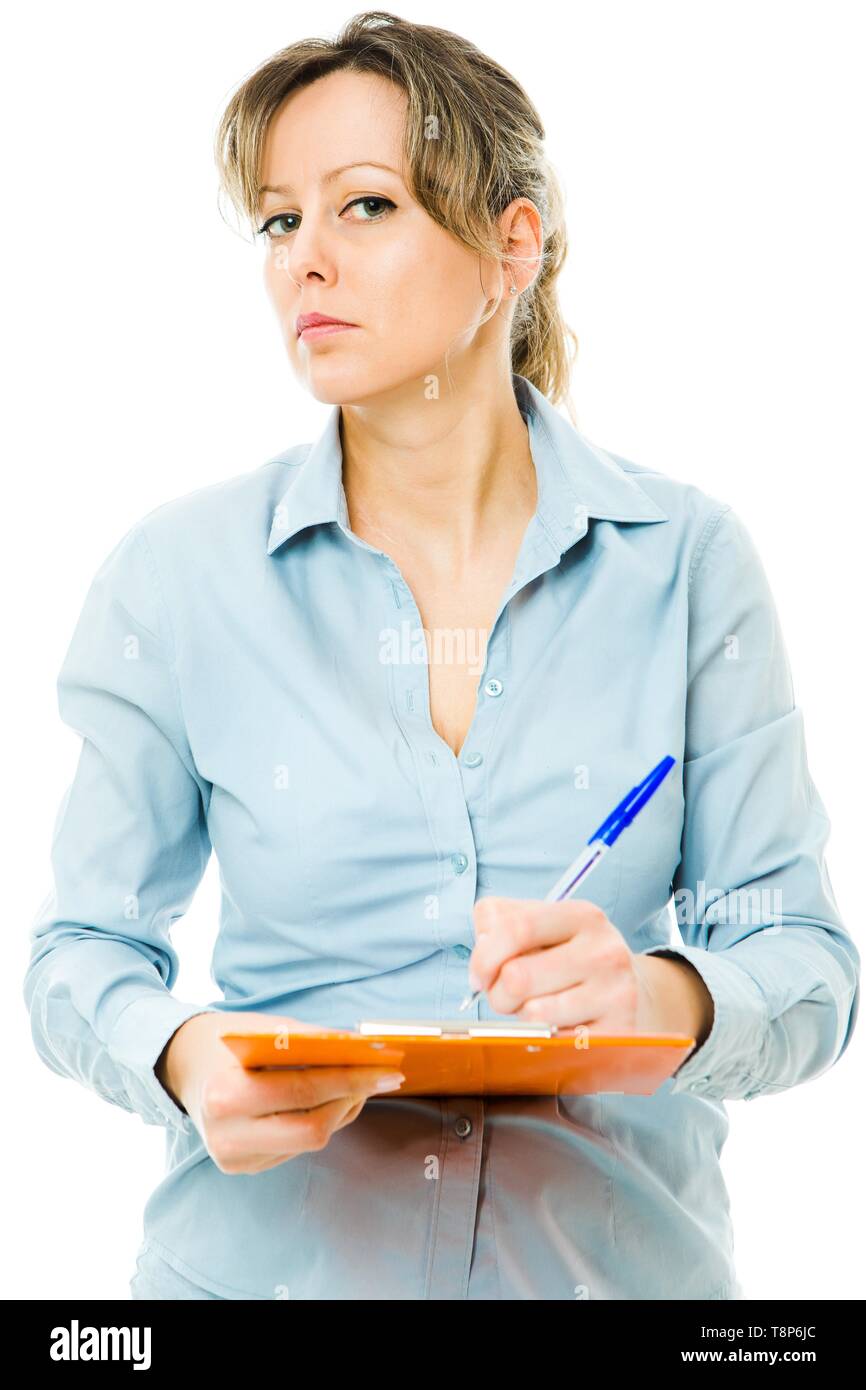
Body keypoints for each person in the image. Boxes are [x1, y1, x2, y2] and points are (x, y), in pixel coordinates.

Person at [24, 11, 859, 1302]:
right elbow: (81, 947)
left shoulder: (687, 560)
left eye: (362, 207)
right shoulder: (176, 574)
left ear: (510, 245)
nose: (302, 260)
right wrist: (183, 1053)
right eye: (276, 219)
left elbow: (803, 962)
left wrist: (659, 993)